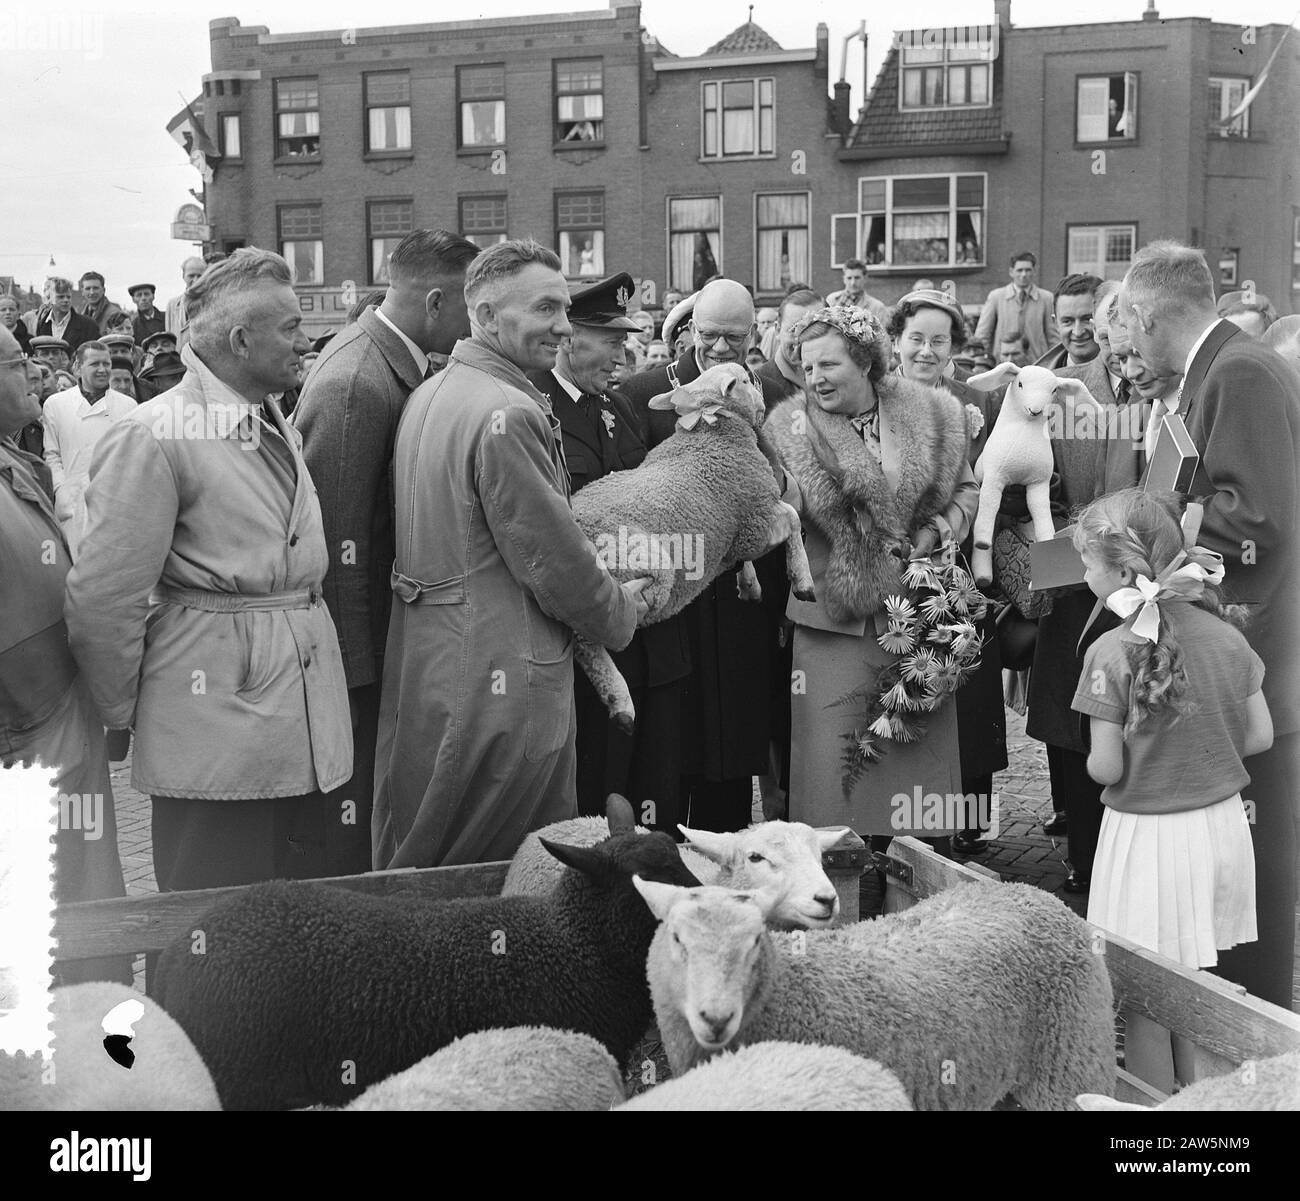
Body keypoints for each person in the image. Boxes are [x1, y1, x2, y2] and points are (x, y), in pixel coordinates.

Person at [65, 248, 353, 892]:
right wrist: (126, 714)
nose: (304, 342)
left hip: (299, 720)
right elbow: (105, 596)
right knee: (211, 934)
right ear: (240, 339)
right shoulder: (155, 434)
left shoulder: (272, 417)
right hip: (214, 731)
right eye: (290, 328)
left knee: (294, 932)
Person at [372, 240, 647, 869]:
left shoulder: (434, 391)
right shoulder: (510, 410)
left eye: (564, 307)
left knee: (432, 862)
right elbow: (558, 565)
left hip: (432, 665)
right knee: (513, 874)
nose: (562, 325)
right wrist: (620, 616)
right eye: (546, 308)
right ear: (489, 317)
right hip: (502, 675)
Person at [1121, 239, 1300, 1010]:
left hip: (1254, 665)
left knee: (1252, 864)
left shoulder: (1240, 372)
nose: (1125, 343)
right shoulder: (1222, 369)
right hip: (1242, 658)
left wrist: (1152, 537)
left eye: (1127, 325)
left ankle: (1254, 1044)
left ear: (1146, 314)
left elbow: (1255, 519)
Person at [294, 228, 481, 877]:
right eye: (469, 305)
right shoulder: (356, 385)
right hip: (359, 667)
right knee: (348, 836)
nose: (473, 321)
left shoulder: (383, 365)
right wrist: (359, 679)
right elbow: (334, 548)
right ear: (434, 302)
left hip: (380, 650)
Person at [1072, 488, 1271, 1084]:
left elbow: (1107, 769)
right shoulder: (1225, 635)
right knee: (1194, 981)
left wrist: (1096, 759)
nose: (1083, 573)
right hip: (1218, 827)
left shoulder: (1111, 651)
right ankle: (1201, 1103)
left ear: (1124, 571)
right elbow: (1259, 735)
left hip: (1147, 837)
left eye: (1086, 563)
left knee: (1144, 990)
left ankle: (1154, 1115)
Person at [764, 306, 978, 844]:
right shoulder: (790, 429)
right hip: (835, 619)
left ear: (865, 361)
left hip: (918, 620)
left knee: (913, 766)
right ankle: (841, 889)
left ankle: (915, 882)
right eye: (807, 368)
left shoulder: (933, 413)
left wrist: (933, 534)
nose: (815, 379)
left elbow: (966, 493)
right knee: (835, 772)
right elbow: (776, 509)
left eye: (829, 365)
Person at [620, 278, 783, 832]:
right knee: (672, 757)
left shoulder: (766, 398)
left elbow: (780, 490)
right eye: (708, 335)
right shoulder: (645, 394)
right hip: (676, 608)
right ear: (689, 329)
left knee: (732, 759)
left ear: (753, 335)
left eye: (732, 339)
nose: (718, 349)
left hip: (741, 607)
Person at [530, 271, 690, 833]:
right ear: (570, 338)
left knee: (659, 791)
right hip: (593, 641)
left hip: (654, 633)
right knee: (598, 802)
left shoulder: (617, 408)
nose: (623, 355)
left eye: (626, 343)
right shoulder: (534, 409)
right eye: (613, 342)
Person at [0, 324, 130, 986]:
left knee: (88, 901)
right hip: (25, 740)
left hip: (63, 727)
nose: (36, 375)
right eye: (20, 363)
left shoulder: (15, 464)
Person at [887, 290, 1008, 854]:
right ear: (896, 342)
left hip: (962, 570)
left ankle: (972, 822)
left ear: (955, 347)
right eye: (916, 338)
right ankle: (910, 820)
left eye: (939, 340)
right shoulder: (878, 401)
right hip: (899, 574)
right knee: (913, 689)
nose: (927, 350)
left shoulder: (979, 402)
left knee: (971, 693)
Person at [40, 341, 136, 559]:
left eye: (106, 363)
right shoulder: (55, 404)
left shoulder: (128, 406)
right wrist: (61, 490)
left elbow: (132, 457)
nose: (102, 369)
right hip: (71, 504)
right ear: (77, 368)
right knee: (72, 568)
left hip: (114, 503)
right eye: (95, 364)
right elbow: (52, 455)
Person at [974, 252, 1056, 362]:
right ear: (1011, 272)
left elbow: (1054, 337)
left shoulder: (1047, 298)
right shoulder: (996, 297)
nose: (1023, 274)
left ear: (1034, 271)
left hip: (1036, 364)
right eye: (1019, 270)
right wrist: (981, 363)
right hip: (1003, 362)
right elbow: (982, 335)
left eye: (1028, 270)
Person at [1035, 274, 1104, 370]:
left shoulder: (1128, 377)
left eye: (1087, 319)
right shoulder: (1035, 381)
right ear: (1055, 324)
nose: (1078, 332)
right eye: (1067, 321)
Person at [34, 277, 99, 354]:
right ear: (49, 299)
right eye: (60, 297)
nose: (66, 300)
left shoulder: (88, 325)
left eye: (68, 297)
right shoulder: (42, 325)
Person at [165, 256, 207, 347]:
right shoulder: (172, 305)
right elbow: (168, 336)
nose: (195, 280)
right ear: (183, 276)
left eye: (199, 276)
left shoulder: (211, 303)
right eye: (191, 276)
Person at [78, 272, 124, 336]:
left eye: (95, 288)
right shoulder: (80, 315)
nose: (92, 292)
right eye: (88, 289)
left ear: (103, 290)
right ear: (82, 292)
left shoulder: (115, 314)